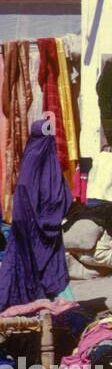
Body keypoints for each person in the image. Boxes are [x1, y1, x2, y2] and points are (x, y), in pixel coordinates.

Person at [0, 122, 73, 310]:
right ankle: (61, 310)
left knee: (31, 268)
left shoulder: (30, 158)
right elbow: (59, 195)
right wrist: (51, 217)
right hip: (44, 228)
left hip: (28, 227)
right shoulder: (46, 159)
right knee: (51, 268)